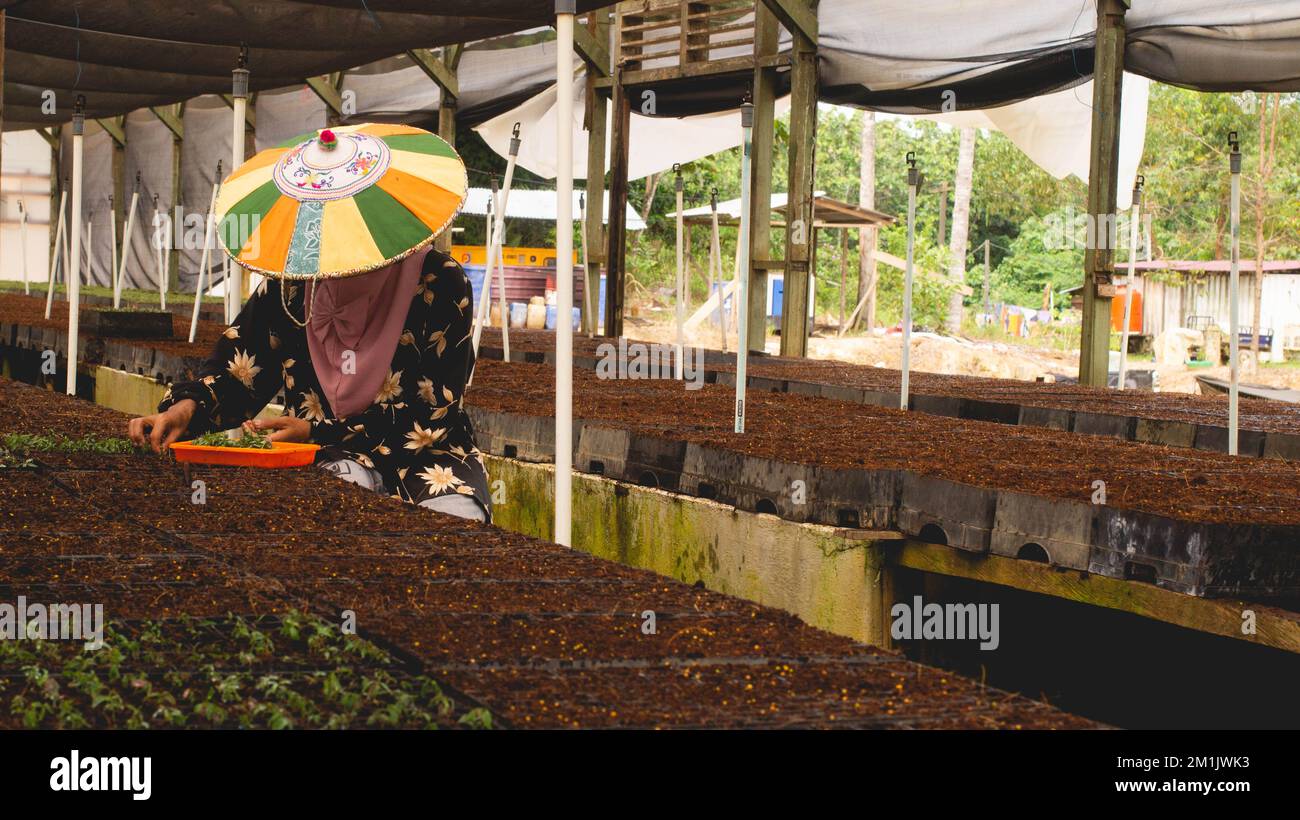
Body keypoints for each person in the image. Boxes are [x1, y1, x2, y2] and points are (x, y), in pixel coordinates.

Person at [127, 245, 490, 522]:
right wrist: (184, 411)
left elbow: (435, 410)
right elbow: (237, 374)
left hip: (430, 454)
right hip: (321, 454)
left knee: (458, 528)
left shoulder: (440, 279)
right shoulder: (292, 285)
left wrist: (316, 431)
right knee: (331, 515)